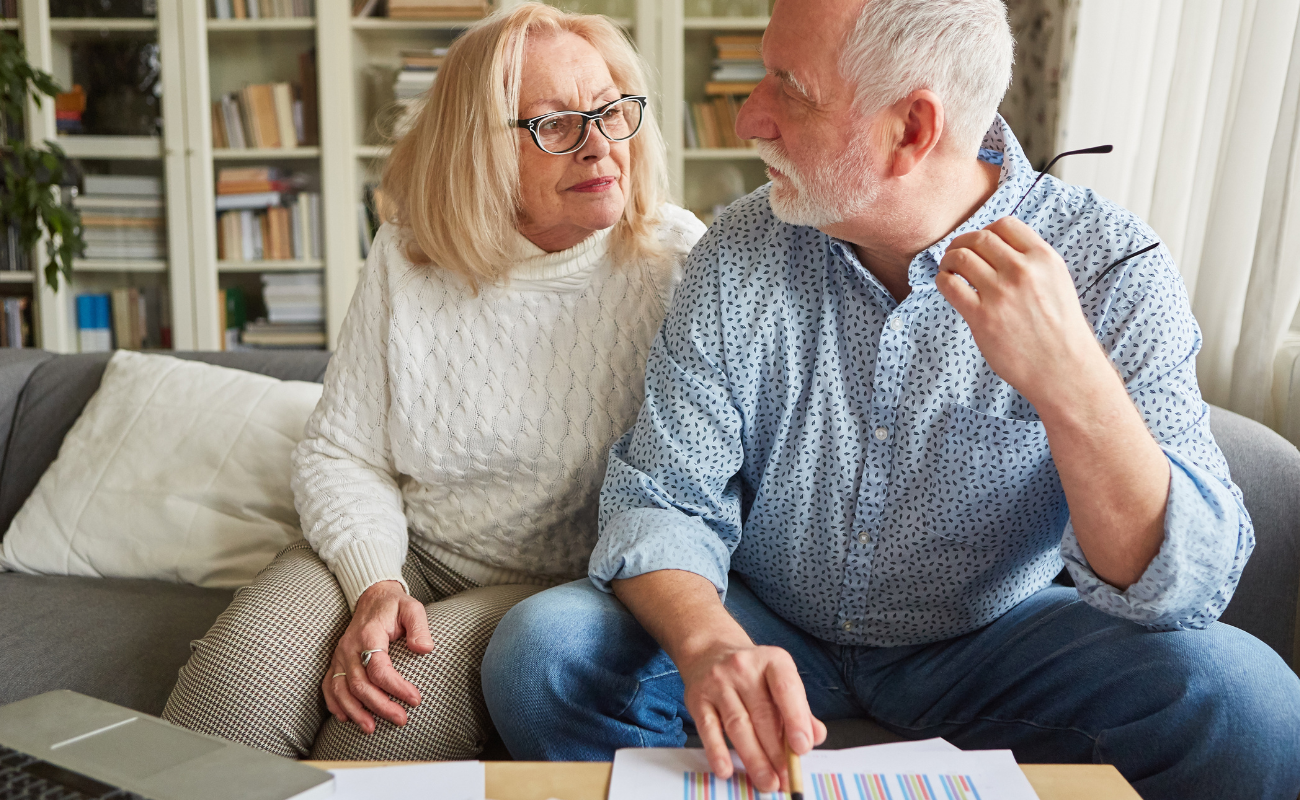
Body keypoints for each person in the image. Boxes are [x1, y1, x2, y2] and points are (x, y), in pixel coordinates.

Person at [480, 0, 1300, 797]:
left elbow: (1180, 589)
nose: (749, 119)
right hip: (767, 620)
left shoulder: (1110, 265)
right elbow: (661, 499)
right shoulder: (738, 251)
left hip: (997, 641)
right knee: (543, 655)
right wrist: (709, 645)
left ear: (911, 128)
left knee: (1251, 704)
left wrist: (1072, 383)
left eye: (789, 89)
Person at [161, 3, 704, 762]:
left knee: (374, 727)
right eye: (555, 124)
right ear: (478, 149)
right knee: (229, 697)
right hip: (411, 550)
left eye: (612, 111)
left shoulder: (678, 263)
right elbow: (343, 453)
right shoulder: (408, 252)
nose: (598, 145)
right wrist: (375, 584)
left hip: (556, 589)